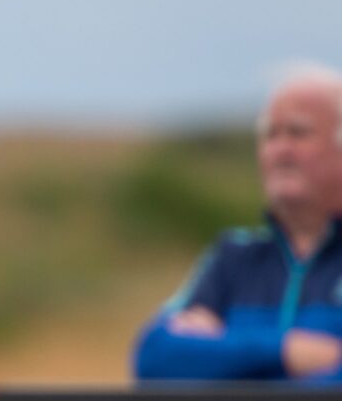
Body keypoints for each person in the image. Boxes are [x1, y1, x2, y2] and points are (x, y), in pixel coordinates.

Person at [135, 66, 342, 381]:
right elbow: (154, 355)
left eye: (299, 133)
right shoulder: (234, 258)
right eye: (270, 135)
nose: (281, 150)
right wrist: (287, 352)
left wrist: (223, 358)